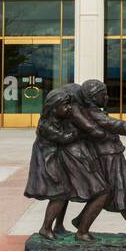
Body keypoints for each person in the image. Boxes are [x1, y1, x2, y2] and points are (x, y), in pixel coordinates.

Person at [67, 79, 126, 241]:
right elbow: (113, 124)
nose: (107, 98)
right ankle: (83, 229)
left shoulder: (92, 112)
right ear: (93, 97)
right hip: (107, 158)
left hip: (112, 155)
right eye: (103, 95)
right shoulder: (92, 113)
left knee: (125, 191)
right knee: (123, 191)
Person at [23, 85, 110, 242]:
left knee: (64, 192)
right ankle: (46, 228)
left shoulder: (58, 118)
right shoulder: (46, 125)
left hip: (56, 159)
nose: (70, 108)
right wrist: (84, 130)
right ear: (53, 108)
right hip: (48, 162)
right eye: (65, 105)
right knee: (59, 194)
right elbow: (65, 137)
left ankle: (58, 226)